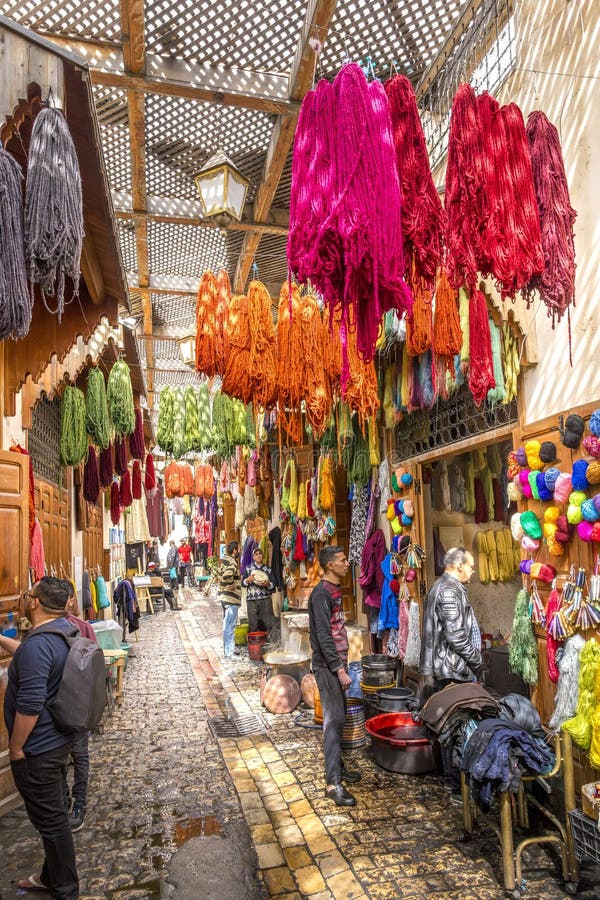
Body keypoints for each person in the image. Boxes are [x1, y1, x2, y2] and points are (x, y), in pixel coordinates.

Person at [2, 576, 79, 898]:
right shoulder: (63, 632)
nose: (25, 597)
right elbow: (36, 658)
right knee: (55, 815)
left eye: (28, 594)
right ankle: (51, 878)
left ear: (34, 602)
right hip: (58, 741)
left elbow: (30, 704)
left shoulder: (39, 644)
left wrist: (16, 748)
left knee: (51, 822)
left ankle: (65, 890)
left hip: (38, 749)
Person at [420, 546, 483, 800]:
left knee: (449, 726)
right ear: (458, 567)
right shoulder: (448, 590)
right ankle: (456, 787)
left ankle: (453, 784)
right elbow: (456, 635)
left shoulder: (443, 587)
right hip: (452, 669)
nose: (473, 570)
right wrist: (477, 660)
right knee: (454, 728)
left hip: (447, 667)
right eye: (470, 566)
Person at [308, 546, 361, 807]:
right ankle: (332, 783)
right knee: (333, 720)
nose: (346, 563)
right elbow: (322, 636)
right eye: (342, 560)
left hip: (337, 663)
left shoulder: (334, 591)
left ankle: (338, 768)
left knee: (339, 718)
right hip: (328, 667)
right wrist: (338, 669)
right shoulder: (320, 595)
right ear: (330, 565)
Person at [63, 582, 96, 832]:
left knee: (77, 753)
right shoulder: (42, 631)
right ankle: (71, 802)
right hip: (67, 706)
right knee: (73, 754)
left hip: (76, 706)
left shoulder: (83, 628)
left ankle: (77, 803)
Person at [216, 542, 242, 658]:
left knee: (227, 625)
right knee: (230, 626)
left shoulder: (225, 560)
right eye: (239, 549)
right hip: (231, 598)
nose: (239, 551)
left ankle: (228, 650)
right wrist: (231, 584)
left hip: (225, 597)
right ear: (235, 550)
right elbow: (227, 576)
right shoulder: (232, 561)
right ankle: (229, 653)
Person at [241, 546, 274, 637]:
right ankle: (254, 643)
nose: (258, 556)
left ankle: (269, 642)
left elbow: (273, 585)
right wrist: (248, 580)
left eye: (260, 554)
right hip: (252, 599)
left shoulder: (268, 569)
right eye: (256, 554)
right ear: (253, 557)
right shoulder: (248, 569)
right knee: (253, 622)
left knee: (268, 622)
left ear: (262, 556)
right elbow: (243, 584)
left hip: (265, 599)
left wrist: (268, 584)